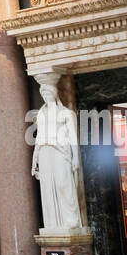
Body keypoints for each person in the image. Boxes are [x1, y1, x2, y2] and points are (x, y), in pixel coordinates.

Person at [32, 83, 85, 231]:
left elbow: (73, 136)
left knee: (63, 183)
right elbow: (38, 138)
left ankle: (72, 220)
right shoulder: (41, 114)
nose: (46, 96)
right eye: (43, 94)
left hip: (61, 151)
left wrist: (75, 157)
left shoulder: (66, 113)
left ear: (55, 94)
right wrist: (34, 160)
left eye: (48, 93)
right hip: (44, 151)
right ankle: (52, 223)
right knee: (48, 187)